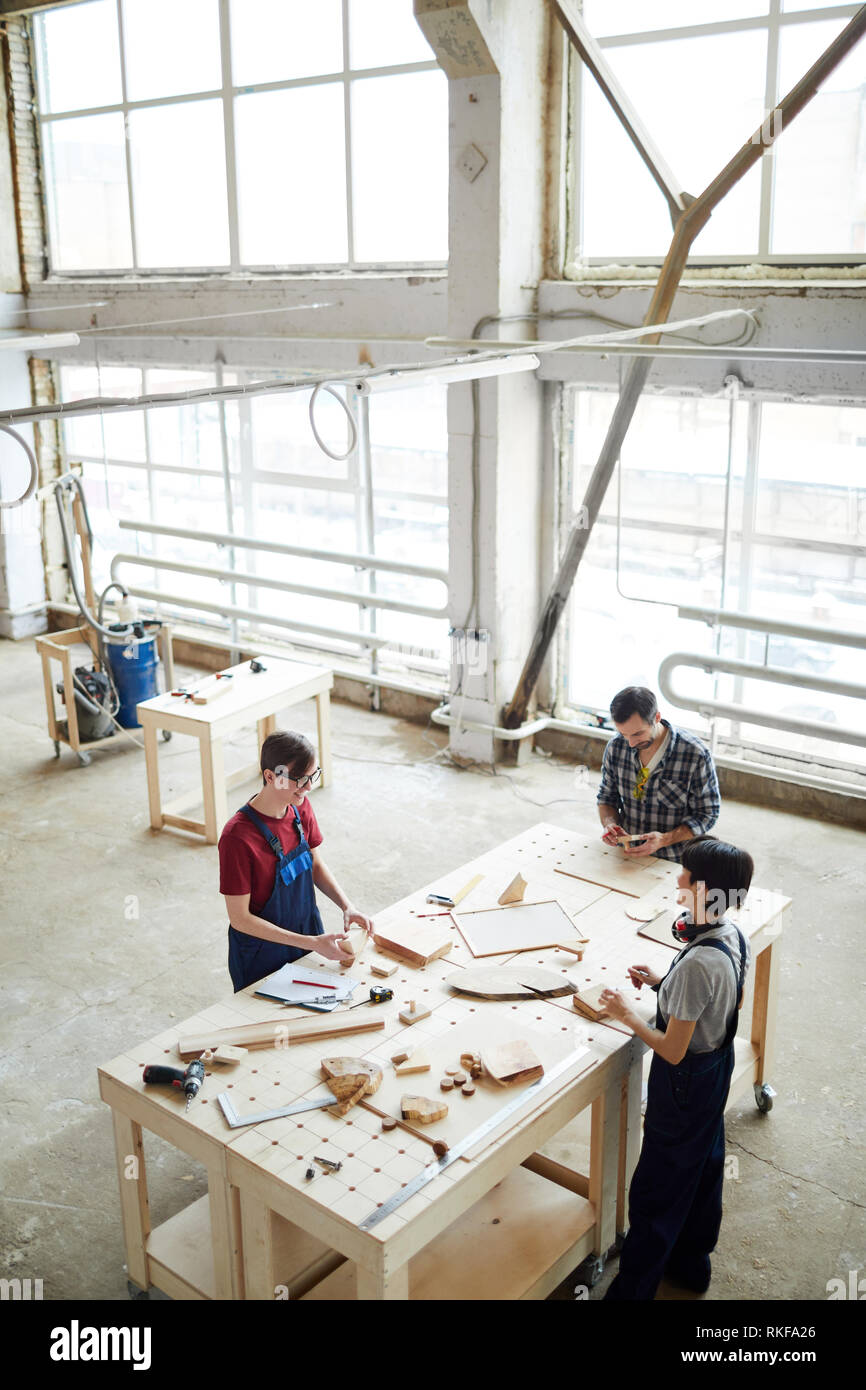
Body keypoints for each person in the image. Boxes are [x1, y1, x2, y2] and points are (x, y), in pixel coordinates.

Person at [599, 835, 753, 1301]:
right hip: (716, 1069)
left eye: (684, 876)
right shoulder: (729, 936)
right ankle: (691, 1268)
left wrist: (627, 1013)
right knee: (704, 1170)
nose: (677, 880)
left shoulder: (697, 966)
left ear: (705, 892)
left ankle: (633, 1292)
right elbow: (718, 1001)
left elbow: (671, 1050)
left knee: (656, 1193)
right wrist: (661, 983)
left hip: (684, 1083)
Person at [218, 730, 374, 991]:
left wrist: (347, 906)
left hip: (308, 931)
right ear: (270, 776)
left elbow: (315, 864)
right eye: (300, 779)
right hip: (261, 953)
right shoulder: (237, 838)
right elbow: (240, 919)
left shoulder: (300, 807)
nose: (309, 787)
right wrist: (311, 943)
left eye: (312, 776)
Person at [597, 686, 720, 862]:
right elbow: (606, 798)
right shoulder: (616, 747)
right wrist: (609, 824)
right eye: (624, 734)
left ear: (657, 717)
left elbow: (708, 814)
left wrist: (664, 839)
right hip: (626, 853)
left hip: (673, 859)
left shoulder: (695, 754)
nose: (631, 743)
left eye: (638, 734)